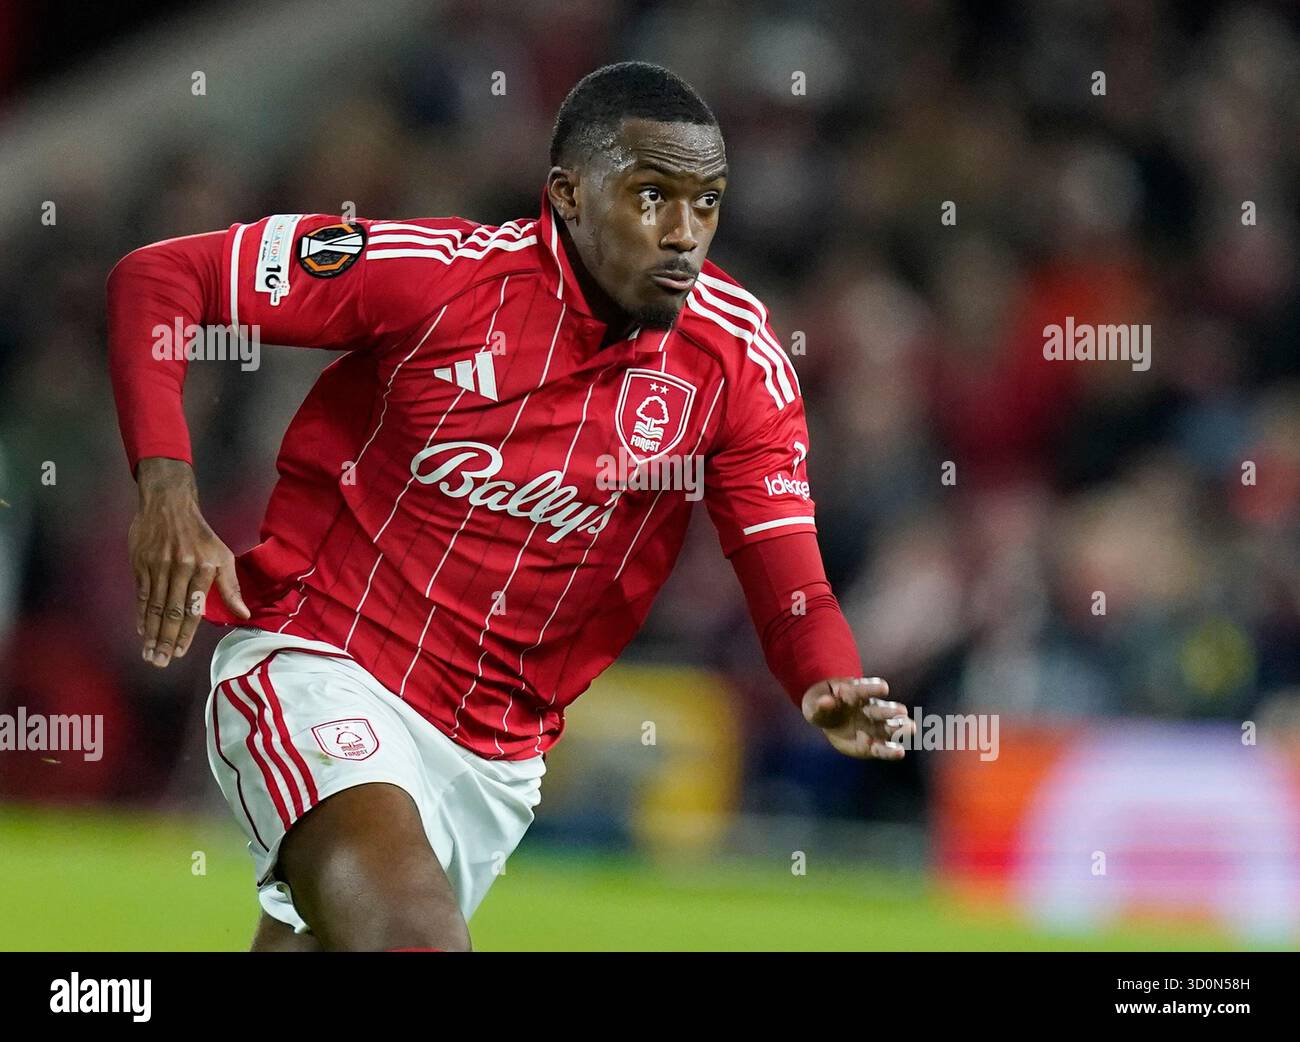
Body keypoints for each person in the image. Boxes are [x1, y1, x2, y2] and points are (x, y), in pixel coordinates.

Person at [106, 61, 916, 952]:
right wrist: (168, 488)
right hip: (319, 658)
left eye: (709, 202)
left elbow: (785, 572)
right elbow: (161, 282)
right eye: (653, 196)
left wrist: (824, 678)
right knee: (414, 938)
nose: (685, 234)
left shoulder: (737, 366)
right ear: (568, 194)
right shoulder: (433, 279)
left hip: (495, 754)